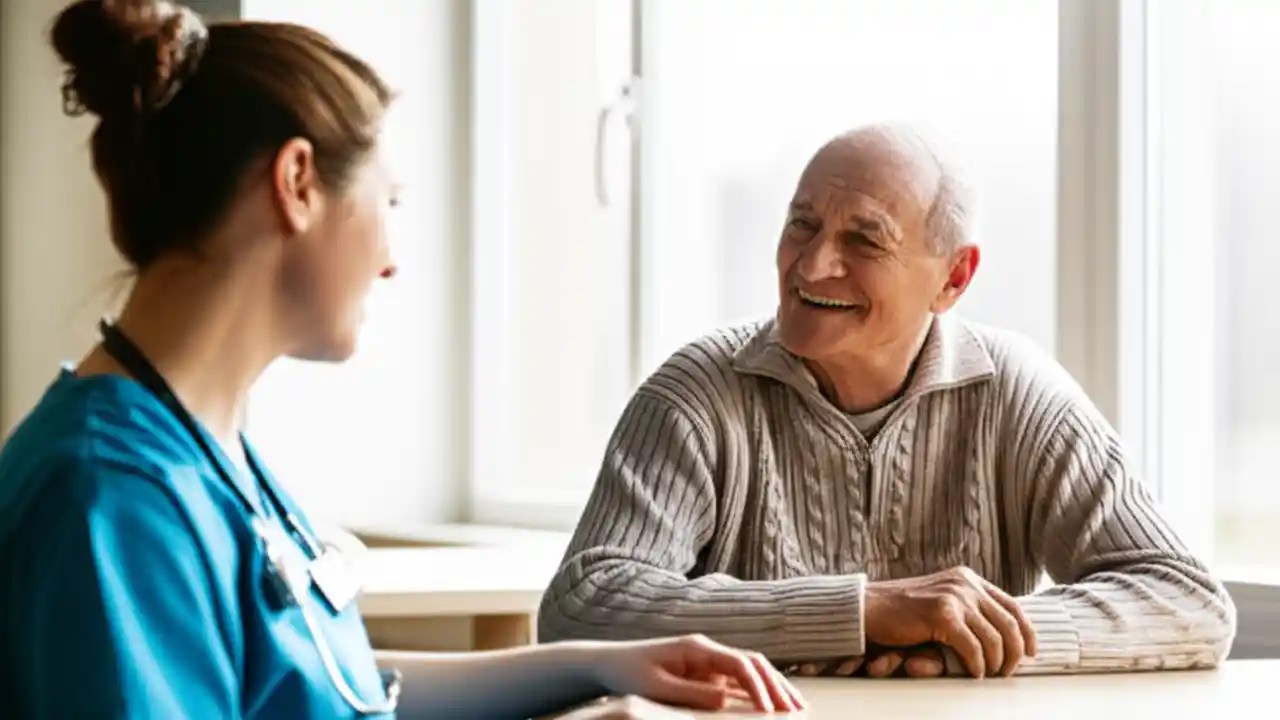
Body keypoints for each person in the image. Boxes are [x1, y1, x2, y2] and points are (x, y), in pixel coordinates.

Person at [0, 2, 805, 718]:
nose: (391, 260)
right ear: (298, 182)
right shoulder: (108, 499)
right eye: (388, 203)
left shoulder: (204, 450)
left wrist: (594, 666)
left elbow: (332, 687)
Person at [539, 123, 1237, 680]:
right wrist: (863, 609)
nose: (811, 265)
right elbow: (582, 606)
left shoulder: (1019, 395)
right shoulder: (696, 396)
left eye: (863, 239)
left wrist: (968, 636)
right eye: (801, 224)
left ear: (953, 278)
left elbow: (1189, 603)